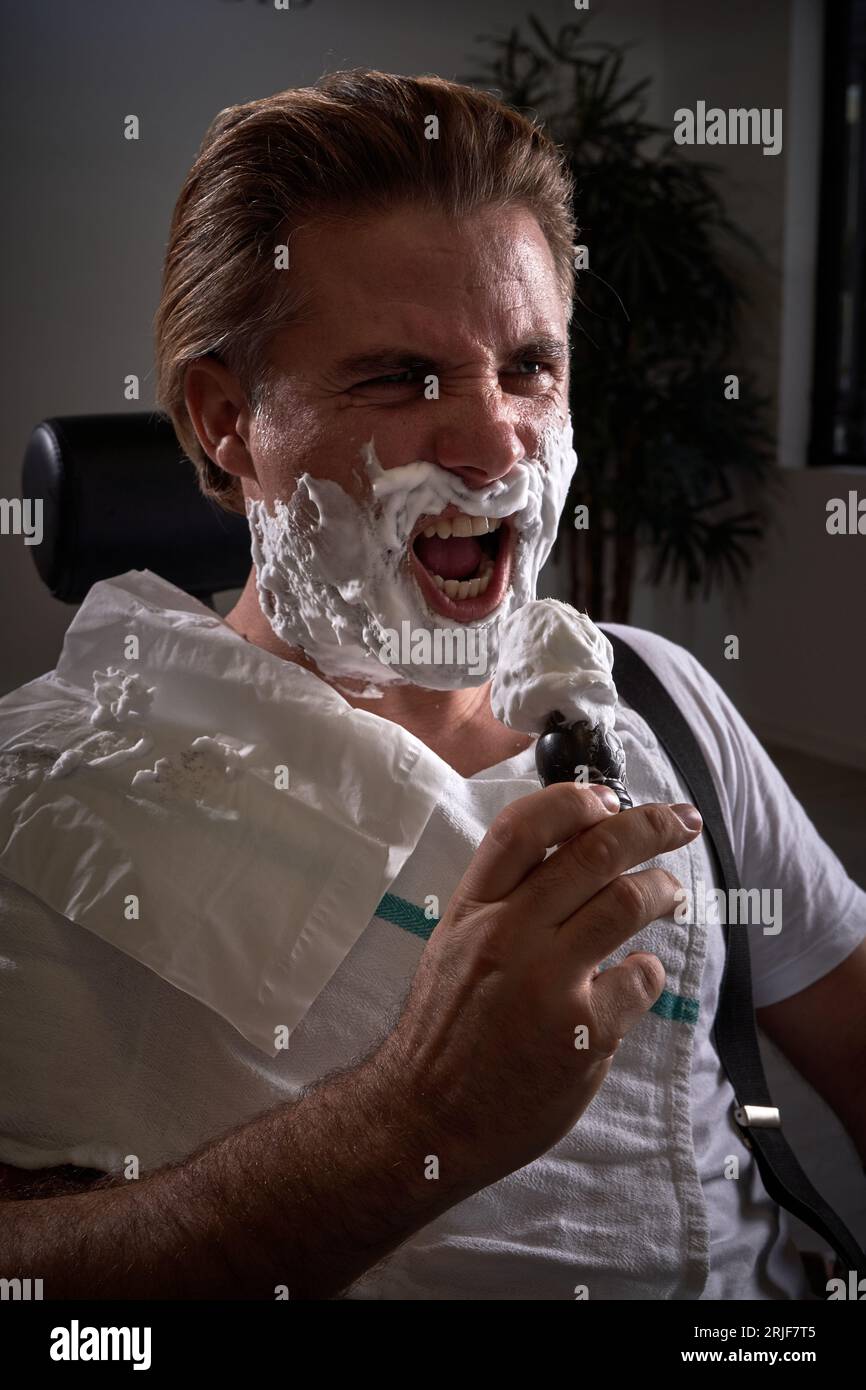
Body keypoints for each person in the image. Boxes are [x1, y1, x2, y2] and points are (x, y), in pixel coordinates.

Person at [1, 69, 864, 1302]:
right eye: (401, 378)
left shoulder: (660, 698)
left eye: (528, 366)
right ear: (226, 419)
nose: (493, 435)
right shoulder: (39, 804)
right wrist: (415, 1121)